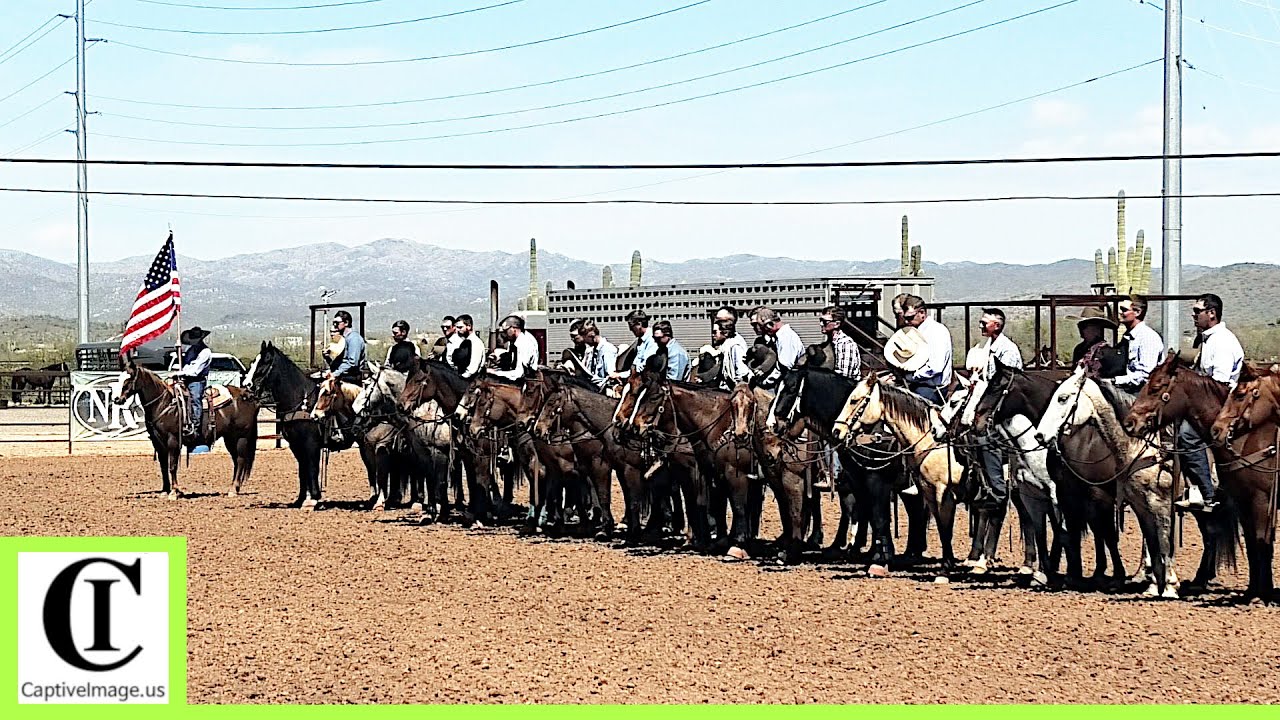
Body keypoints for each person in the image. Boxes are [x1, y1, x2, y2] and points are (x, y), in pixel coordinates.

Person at [1175, 293, 1245, 512]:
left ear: (1212, 313)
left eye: (1198, 311)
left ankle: (1207, 494)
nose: (1193, 315)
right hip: (1208, 402)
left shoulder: (1222, 341)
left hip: (1221, 404)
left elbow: (1220, 384)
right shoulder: (1208, 339)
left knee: (1188, 435)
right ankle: (1193, 487)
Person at [972, 308, 1022, 505]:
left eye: (985, 323)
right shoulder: (990, 347)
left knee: (987, 437)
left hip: (1005, 405)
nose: (981, 326)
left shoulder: (1007, 350)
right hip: (993, 400)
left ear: (997, 326)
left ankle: (997, 489)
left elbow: (1005, 383)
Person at [895, 295, 952, 403]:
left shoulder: (936, 331)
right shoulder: (916, 331)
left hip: (932, 390)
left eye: (910, 318)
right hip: (919, 385)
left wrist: (911, 377)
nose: (906, 322)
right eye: (905, 318)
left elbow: (935, 367)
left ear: (922, 313)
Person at [1111, 294, 1165, 394]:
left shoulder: (1148, 337)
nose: (1119, 312)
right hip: (1128, 390)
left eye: (1124, 310)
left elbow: (1145, 375)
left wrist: (1115, 380)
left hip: (1144, 394)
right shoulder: (1128, 337)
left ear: (1137, 312)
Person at [176, 326, 213, 454]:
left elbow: (195, 370)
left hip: (196, 380)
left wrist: (180, 373)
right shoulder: (191, 349)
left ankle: (195, 426)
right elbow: (187, 365)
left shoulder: (205, 352)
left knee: (195, 399)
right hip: (186, 378)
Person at [1071, 307, 1118, 381]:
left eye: (1084, 326)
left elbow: (1102, 376)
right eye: (1080, 325)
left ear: (1096, 329)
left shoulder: (1105, 351)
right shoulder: (1079, 349)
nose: (1080, 329)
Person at [488, 314, 538, 381]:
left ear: (514, 329)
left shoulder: (524, 343)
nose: (503, 334)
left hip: (525, 382)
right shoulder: (514, 341)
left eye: (505, 331)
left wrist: (495, 373)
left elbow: (519, 373)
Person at [820, 306, 861, 380]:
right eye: (820, 320)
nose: (821, 324)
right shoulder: (829, 343)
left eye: (825, 321)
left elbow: (844, 375)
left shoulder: (846, 344)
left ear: (837, 324)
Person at [612, 309, 656, 377]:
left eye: (631, 325)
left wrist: (621, 375)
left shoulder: (652, 340)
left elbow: (644, 367)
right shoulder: (639, 341)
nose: (630, 329)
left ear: (639, 324)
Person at [328, 310, 366, 385]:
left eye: (337, 323)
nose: (335, 325)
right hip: (340, 376)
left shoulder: (354, 338)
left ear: (346, 323)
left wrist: (335, 374)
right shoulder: (342, 339)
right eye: (334, 323)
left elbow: (352, 363)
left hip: (350, 379)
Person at [580, 320, 617, 389]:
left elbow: (611, 375)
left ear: (592, 336)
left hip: (602, 389)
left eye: (586, 340)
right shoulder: (591, 351)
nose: (586, 343)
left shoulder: (607, 350)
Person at [452, 314, 485, 379]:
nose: (457, 330)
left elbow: (473, 367)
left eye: (460, 327)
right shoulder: (466, 341)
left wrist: (461, 378)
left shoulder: (475, 342)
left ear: (469, 326)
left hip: (471, 380)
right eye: (457, 327)